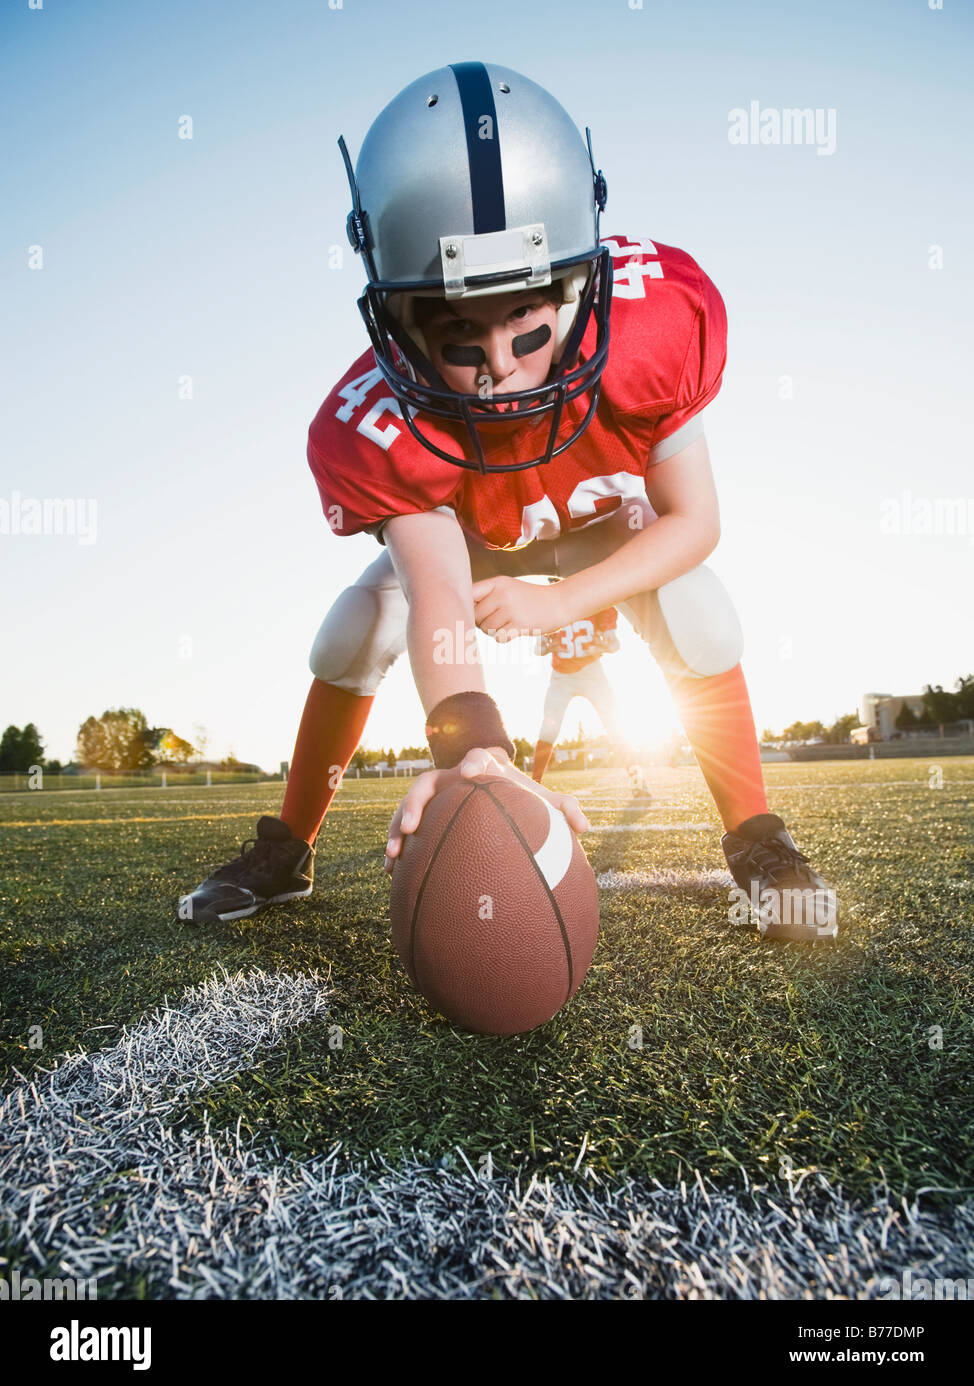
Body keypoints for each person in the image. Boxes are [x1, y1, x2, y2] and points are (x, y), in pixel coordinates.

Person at [179, 61, 837, 943]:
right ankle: (287, 850)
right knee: (350, 632)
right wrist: (476, 749)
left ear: (579, 285)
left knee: (698, 610)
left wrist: (563, 601)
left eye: (526, 322)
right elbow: (440, 596)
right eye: (459, 334)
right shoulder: (382, 428)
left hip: (599, 532)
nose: (499, 368)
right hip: (471, 545)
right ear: (403, 321)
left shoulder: (654, 329)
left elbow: (696, 522)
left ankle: (758, 841)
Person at [530, 599, 650, 797]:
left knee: (615, 725)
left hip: (592, 672)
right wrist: (550, 644)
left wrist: (600, 643)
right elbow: (538, 649)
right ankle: (535, 784)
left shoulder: (595, 602)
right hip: (561, 676)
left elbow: (614, 646)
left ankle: (637, 779)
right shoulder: (549, 605)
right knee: (549, 729)